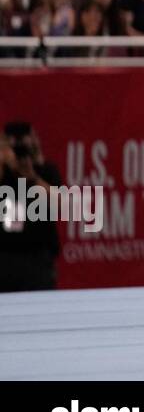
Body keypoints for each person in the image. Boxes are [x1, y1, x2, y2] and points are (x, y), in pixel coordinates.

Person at [0, 122, 61, 291]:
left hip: (38, 258)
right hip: (4, 256)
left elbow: (63, 205)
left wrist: (32, 177)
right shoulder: (4, 174)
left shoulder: (45, 171)